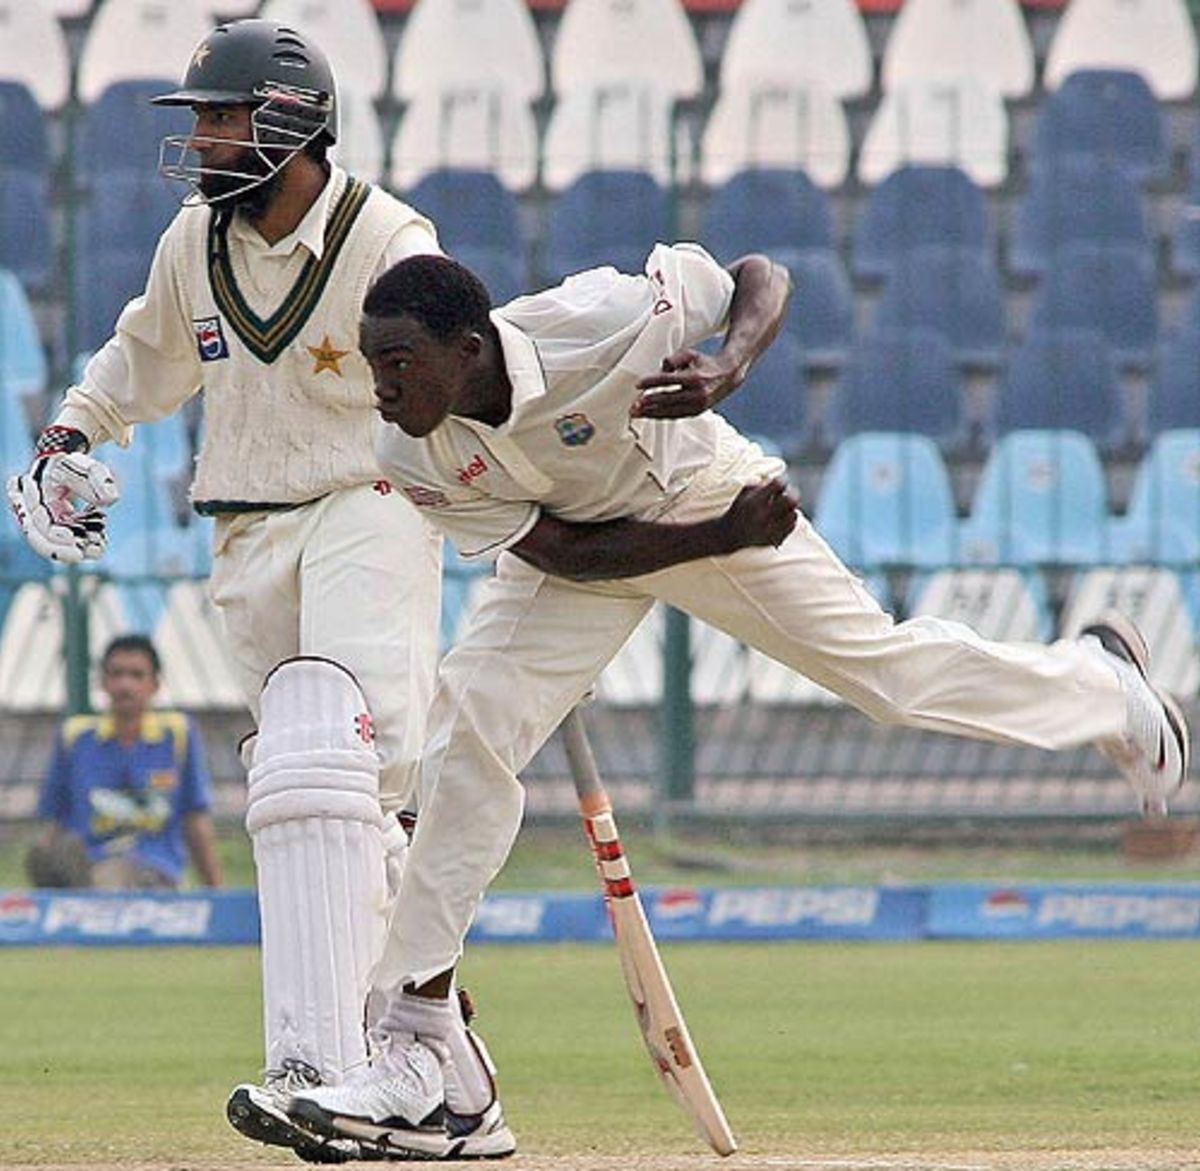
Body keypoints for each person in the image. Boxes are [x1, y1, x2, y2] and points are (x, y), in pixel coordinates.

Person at [283, 244, 1191, 1152]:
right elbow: (565, 554)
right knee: (464, 737)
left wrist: (729, 363)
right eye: (371, 363)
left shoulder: (602, 316)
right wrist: (714, 537)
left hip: (710, 491)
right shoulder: (406, 452)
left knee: (885, 676)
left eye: (398, 362)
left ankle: (1105, 689)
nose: (381, 386)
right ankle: (423, 1054)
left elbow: (761, 275)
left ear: (469, 349)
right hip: (590, 551)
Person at [6, 18, 513, 1164]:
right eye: (204, 121)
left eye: (229, 117)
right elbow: (144, 356)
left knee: (339, 766)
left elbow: (456, 366)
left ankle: (342, 1064)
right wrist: (73, 431)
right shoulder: (196, 243)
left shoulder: (386, 232)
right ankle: (441, 1076)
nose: (211, 139)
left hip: (369, 504)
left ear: (293, 124)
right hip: (244, 527)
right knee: (311, 797)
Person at [26, 633, 223, 891]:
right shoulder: (76, 738)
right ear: (103, 682)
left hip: (155, 869)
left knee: (113, 875)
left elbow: (196, 821)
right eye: (116, 674)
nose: (125, 685)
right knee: (53, 859)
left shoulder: (176, 735)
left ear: (155, 684)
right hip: (91, 859)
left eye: (136, 675)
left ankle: (84, 888)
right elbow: (55, 821)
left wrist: (217, 893)